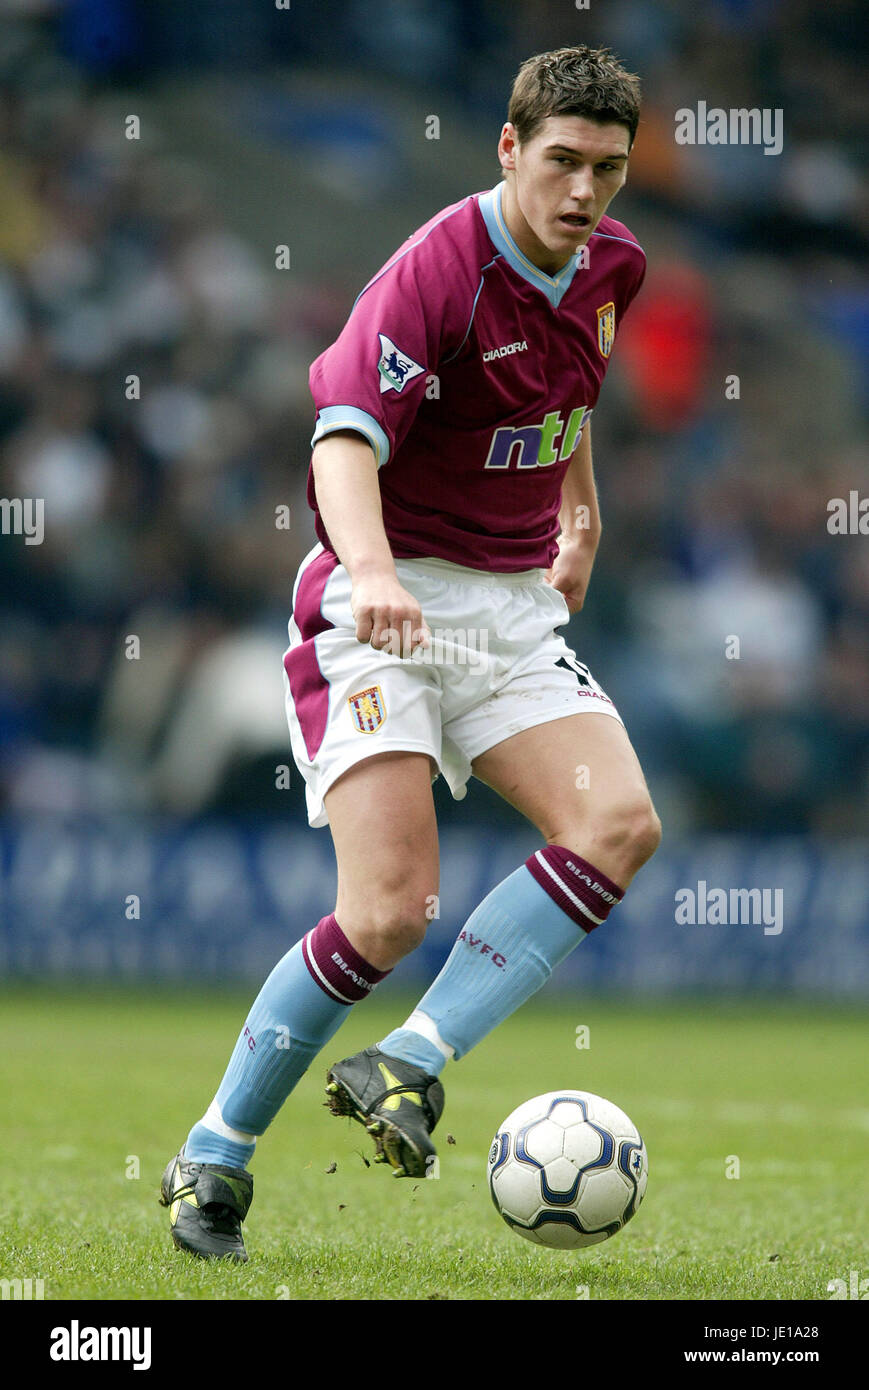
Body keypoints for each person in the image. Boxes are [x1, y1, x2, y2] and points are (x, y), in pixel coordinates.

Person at [161, 44, 662, 1262]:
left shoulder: (613, 267)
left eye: (606, 167)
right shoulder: (435, 268)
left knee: (618, 824)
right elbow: (342, 441)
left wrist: (579, 514)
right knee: (388, 913)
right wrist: (374, 569)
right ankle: (212, 1160)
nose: (583, 191)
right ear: (508, 149)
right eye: (560, 162)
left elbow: (572, 397)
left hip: (507, 610)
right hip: (375, 605)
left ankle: (412, 1059)